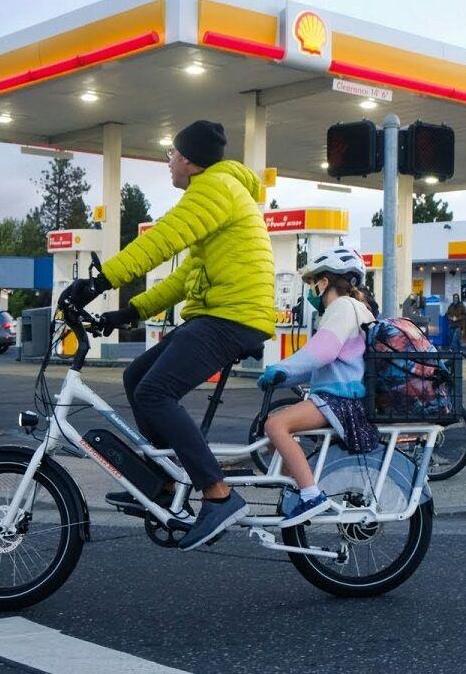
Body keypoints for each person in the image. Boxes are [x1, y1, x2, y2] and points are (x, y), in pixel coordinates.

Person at [63, 120, 275, 551]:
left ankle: (217, 493)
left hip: (233, 316)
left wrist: (98, 282)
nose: (169, 164)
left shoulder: (214, 189)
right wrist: (126, 312)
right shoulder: (218, 192)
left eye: (172, 155)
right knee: (136, 380)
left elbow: (159, 241)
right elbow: (184, 280)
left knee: (155, 394)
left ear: (191, 161)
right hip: (220, 313)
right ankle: (163, 483)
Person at [255, 248, 381, 526]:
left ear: (324, 282)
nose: (311, 291)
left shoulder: (342, 308)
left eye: (313, 283)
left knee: (276, 425)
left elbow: (320, 353)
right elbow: (319, 364)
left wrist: (280, 369)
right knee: (282, 427)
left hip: (340, 399)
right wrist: (281, 378)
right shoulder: (355, 308)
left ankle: (311, 496)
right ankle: (296, 494)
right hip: (343, 397)